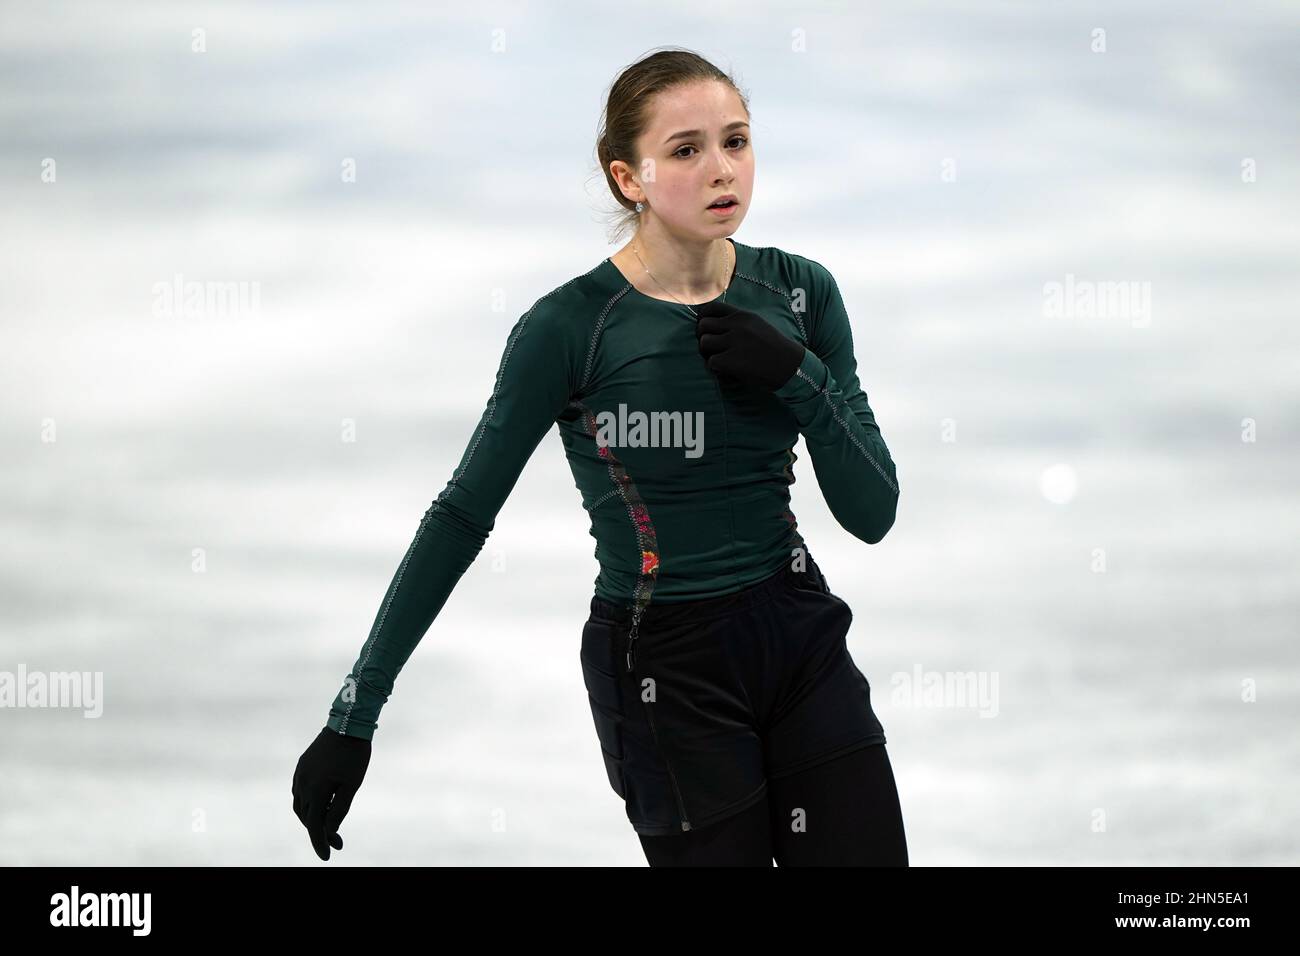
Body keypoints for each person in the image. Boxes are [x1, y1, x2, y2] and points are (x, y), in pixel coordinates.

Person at [293, 46, 907, 867]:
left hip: (799, 635)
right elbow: (463, 514)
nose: (723, 169)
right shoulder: (569, 328)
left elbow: (874, 514)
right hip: (663, 663)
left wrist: (797, 376)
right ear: (629, 178)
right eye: (686, 150)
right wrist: (354, 714)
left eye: (737, 140)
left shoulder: (800, 294)